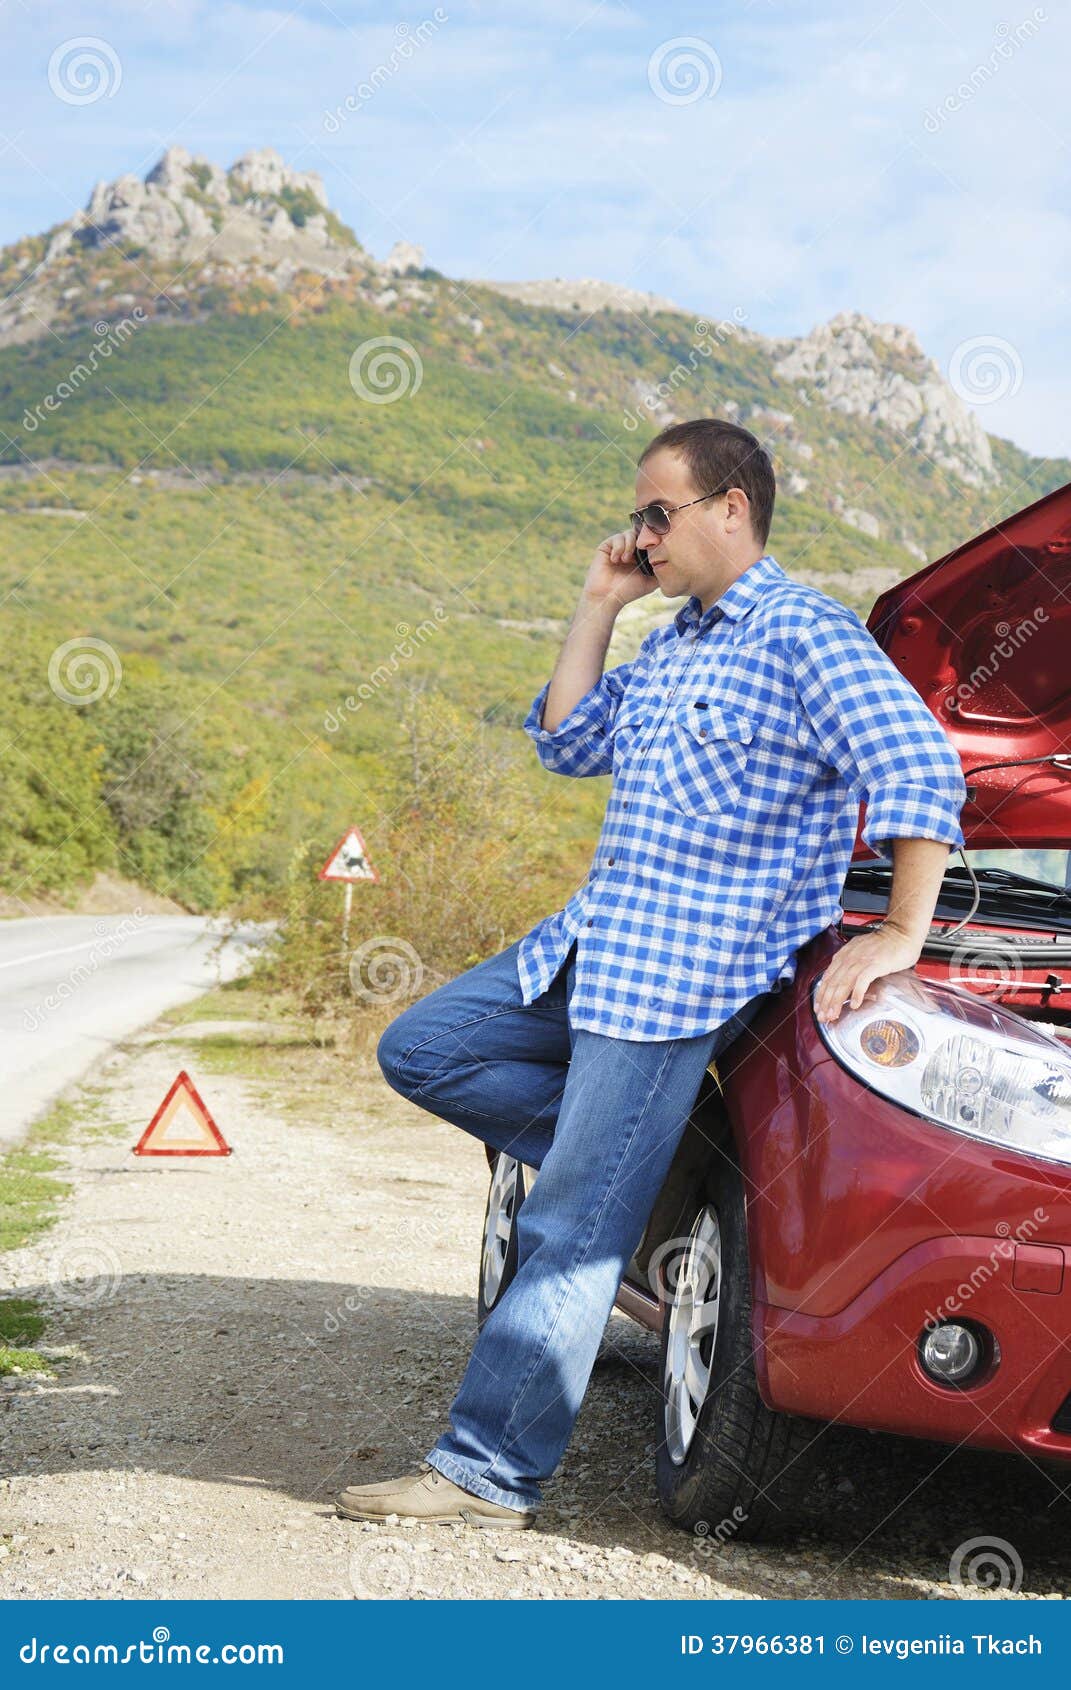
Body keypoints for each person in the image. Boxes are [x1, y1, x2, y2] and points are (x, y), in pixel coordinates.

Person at [335, 417, 967, 1530]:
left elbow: (920, 765)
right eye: (636, 516)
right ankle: (641, 1159)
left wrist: (900, 934)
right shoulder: (674, 644)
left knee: (570, 1226)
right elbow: (568, 741)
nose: (642, 534)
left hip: (678, 977)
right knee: (423, 1048)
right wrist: (599, 604)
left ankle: (487, 1473)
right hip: (592, 946)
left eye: (658, 514)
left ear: (732, 508)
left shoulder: (804, 632)